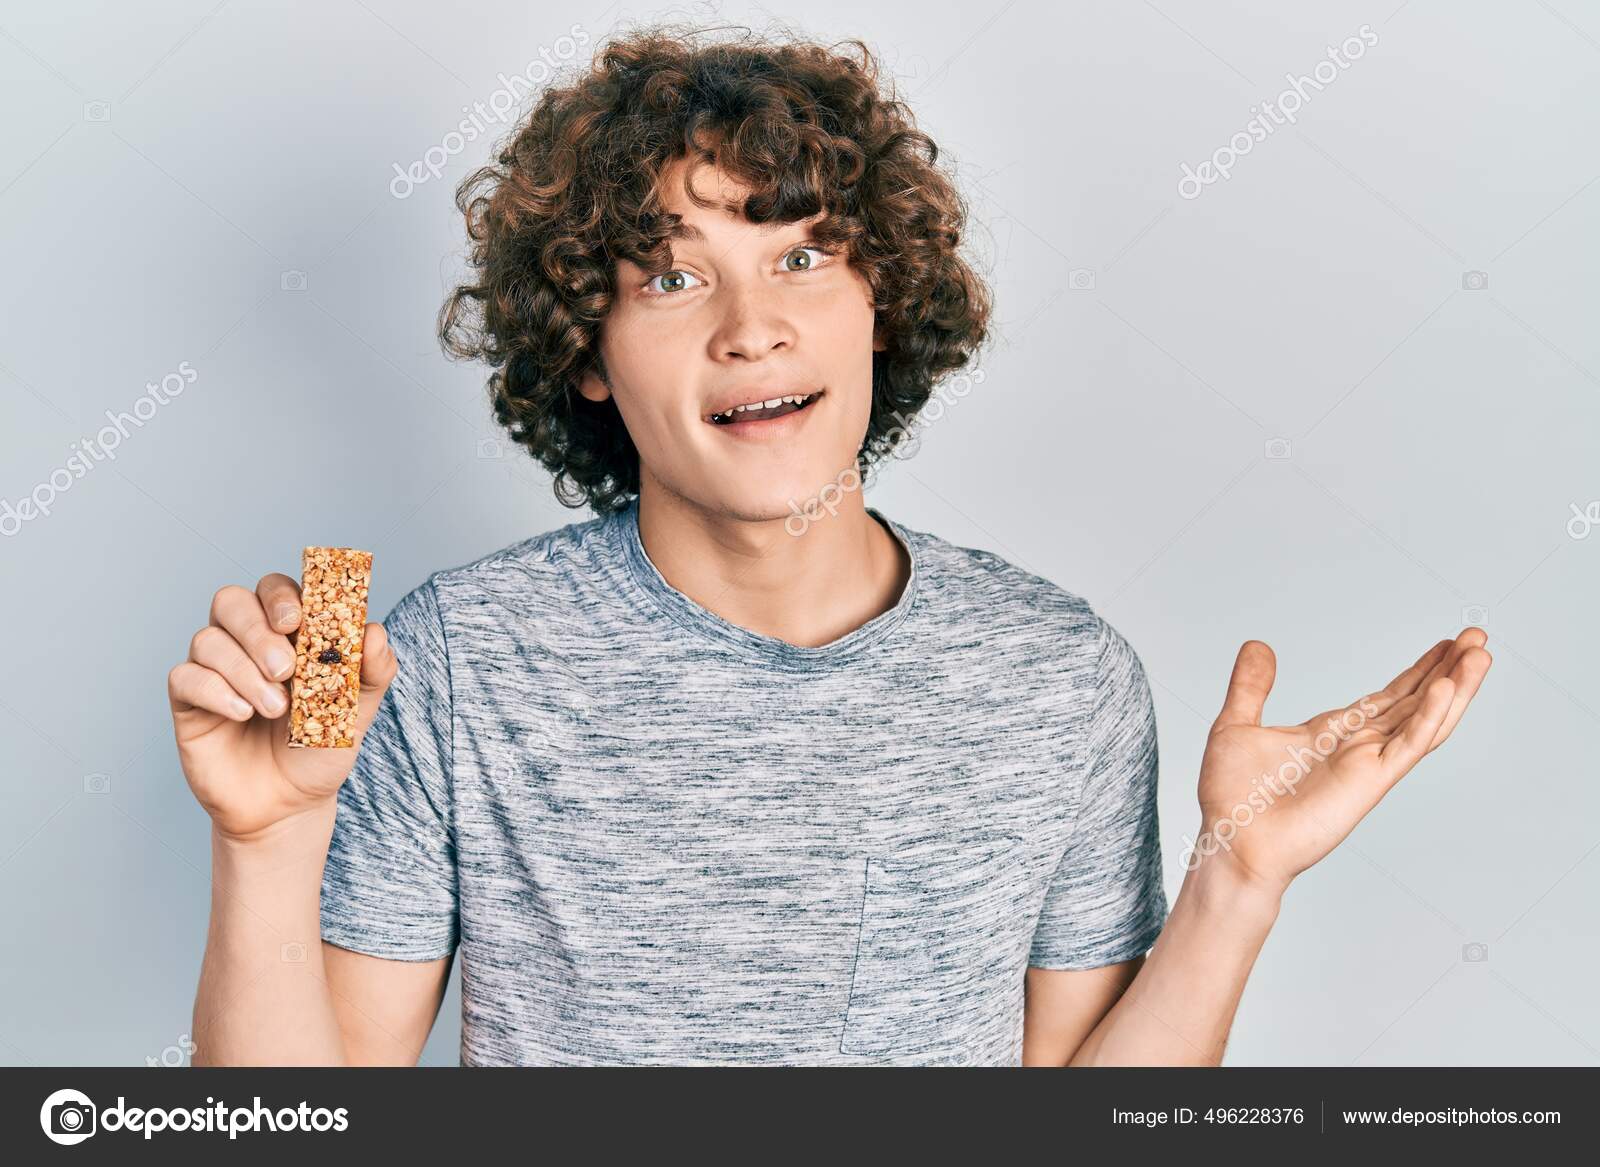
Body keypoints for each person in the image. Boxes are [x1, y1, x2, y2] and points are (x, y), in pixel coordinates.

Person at [173, 27, 1491, 1066]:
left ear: (882, 302)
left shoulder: (1062, 679)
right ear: (584, 348)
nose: (753, 328)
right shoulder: (440, 662)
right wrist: (268, 840)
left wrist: (1238, 875)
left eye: (804, 259)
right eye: (674, 279)